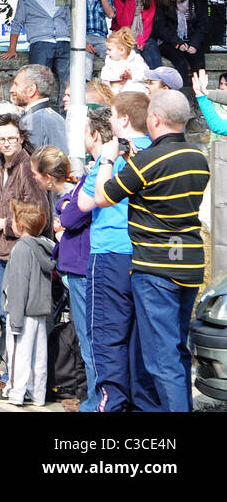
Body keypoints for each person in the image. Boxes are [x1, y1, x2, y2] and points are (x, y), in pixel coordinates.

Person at [86, 90, 208, 412]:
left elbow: (101, 197)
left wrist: (109, 159)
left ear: (155, 119)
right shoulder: (198, 158)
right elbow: (160, 190)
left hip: (155, 267)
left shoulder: (147, 162)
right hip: (188, 264)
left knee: (160, 358)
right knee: (177, 350)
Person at [71, 91, 157, 411]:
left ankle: (111, 402)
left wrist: (102, 161)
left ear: (122, 119)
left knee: (107, 335)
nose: (108, 121)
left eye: (111, 115)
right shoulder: (155, 150)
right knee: (138, 336)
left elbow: (85, 202)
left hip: (110, 252)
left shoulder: (114, 153)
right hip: (144, 253)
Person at [0, 110, 54, 390]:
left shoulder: (28, 168)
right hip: (0, 252)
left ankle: (19, 379)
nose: (7, 143)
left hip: (23, 254)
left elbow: (39, 216)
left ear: (22, 138)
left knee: (19, 319)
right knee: (4, 316)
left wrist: (4, 224)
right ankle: (10, 373)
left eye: (12, 138)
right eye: (1, 139)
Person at [55, 108, 112, 412]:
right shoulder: (99, 168)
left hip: (84, 262)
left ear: (96, 135)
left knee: (91, 338)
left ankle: (95, 400)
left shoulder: (101, 168)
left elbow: (72, 212)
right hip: (88, 260)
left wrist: (65, 208)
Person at [0, 199, 55, 407]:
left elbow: (19, 284)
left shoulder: (21, 249)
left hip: (21, 311)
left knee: (17, 354)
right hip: (40, 310)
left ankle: (15, 392)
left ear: (20, 225)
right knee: (39, 357)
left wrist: (16, 319)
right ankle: (37, 394)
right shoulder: (46, 247)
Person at [2, 0, 70, 104]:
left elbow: (70, 21)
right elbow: (17, 23)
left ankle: (64, 113)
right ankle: (40, 111)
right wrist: (12, 48)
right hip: (41, 43)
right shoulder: (26, 0)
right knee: (39, 81)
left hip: (64, 42)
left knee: (67, 81)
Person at [152, 0, 208, 85]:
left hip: (191, 39)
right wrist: (178, 43)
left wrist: (194, 44)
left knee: (198, 63)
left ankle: (200, 94)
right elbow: (160, 27)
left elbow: (202, 24)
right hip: (170, 41)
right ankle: (184, 95)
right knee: (181, 62)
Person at [11, 64, 68, 152]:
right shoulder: (57, 117)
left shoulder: (34, 119)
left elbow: (29, 161)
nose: (11, 90)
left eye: (16, 85)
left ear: (31, 90)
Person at [112, 0, 159, 70]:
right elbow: (124, 24)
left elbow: (147, 23)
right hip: (124, 35)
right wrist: (129, 1)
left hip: (142, 36)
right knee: (133, 57)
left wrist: (140, 40)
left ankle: (158, 81)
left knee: (151, 48)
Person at [99, 27, 148, 93]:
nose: (107, 52)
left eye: (109, 50)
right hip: (117, 92)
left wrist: (131, 75)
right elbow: (104, 75)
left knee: (138, 86)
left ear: (121, 50)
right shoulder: (110, 62)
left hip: (134, 93)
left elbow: (146, 74)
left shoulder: (136, 60)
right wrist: (121, 76)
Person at [84, 0, 116, 68]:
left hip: (100, 37)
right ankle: (86, 83)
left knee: (114, 59)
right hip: (83, 36)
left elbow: (111, 14)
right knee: (85, 61)